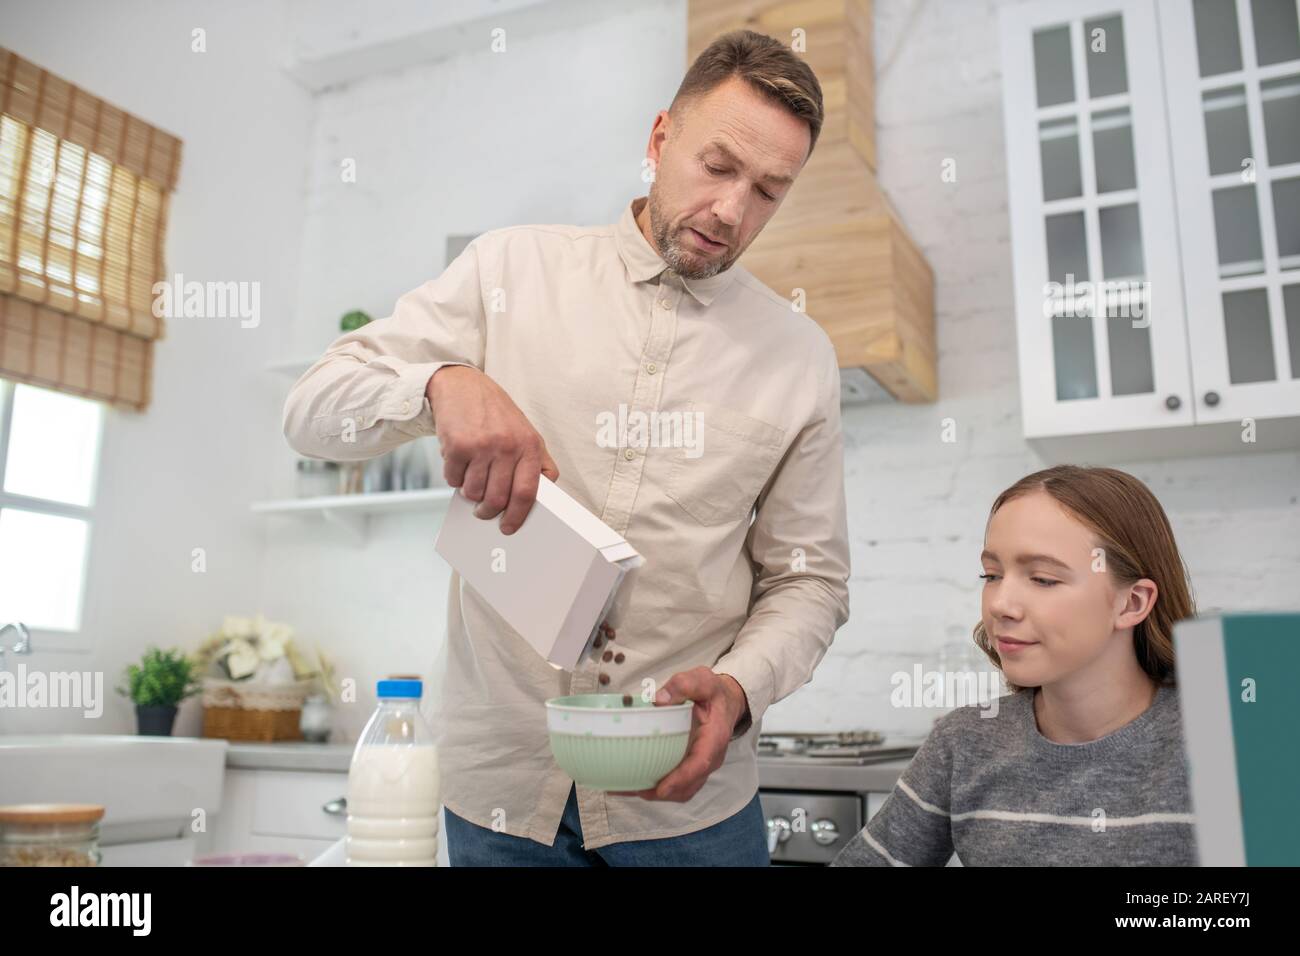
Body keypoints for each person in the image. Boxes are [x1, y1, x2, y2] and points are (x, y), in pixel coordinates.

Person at [283, 30, 850, 865]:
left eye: (769, 191)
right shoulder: (510, 269)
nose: (733, 211)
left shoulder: (799, 357)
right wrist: (440, 383)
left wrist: (737, 688)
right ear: (660, 141)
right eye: (718, 166)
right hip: (501, 794)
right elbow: (311, 410)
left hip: (692, 811)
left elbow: (810, 580)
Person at [832, 465, 1199, 866]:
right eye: (991, 574)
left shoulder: (1221, 742)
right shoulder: (965, 742)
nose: (1000, 605)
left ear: (1132, 602)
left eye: (1042, 579)